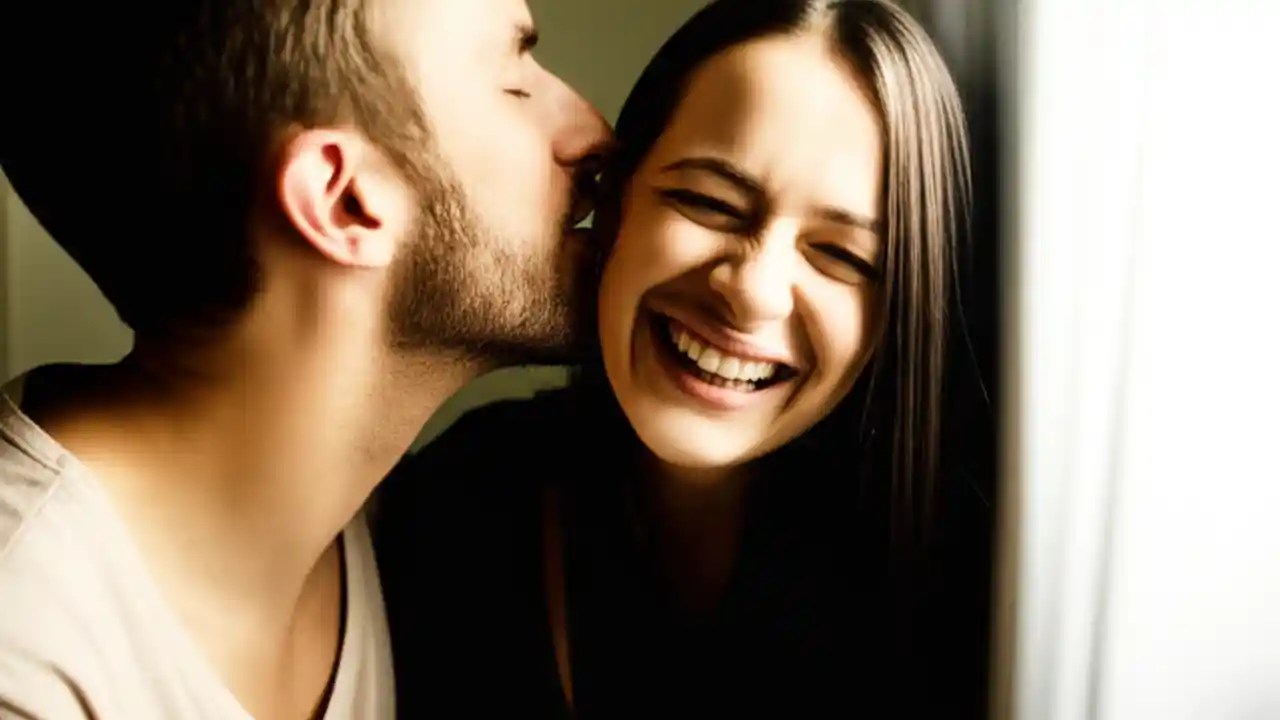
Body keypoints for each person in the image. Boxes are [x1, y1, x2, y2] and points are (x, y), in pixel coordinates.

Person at [373, 0, 992, 717]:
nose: (754, 294)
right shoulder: (452, 512)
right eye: (710, 203)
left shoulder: (963, 593)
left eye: (841, 255)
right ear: (614, 203)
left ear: (900, 309)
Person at [0, 0, 611, 717]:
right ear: (343, 200)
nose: (595, 135)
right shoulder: (28, 652)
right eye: (515, 83)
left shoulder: (417, 533)